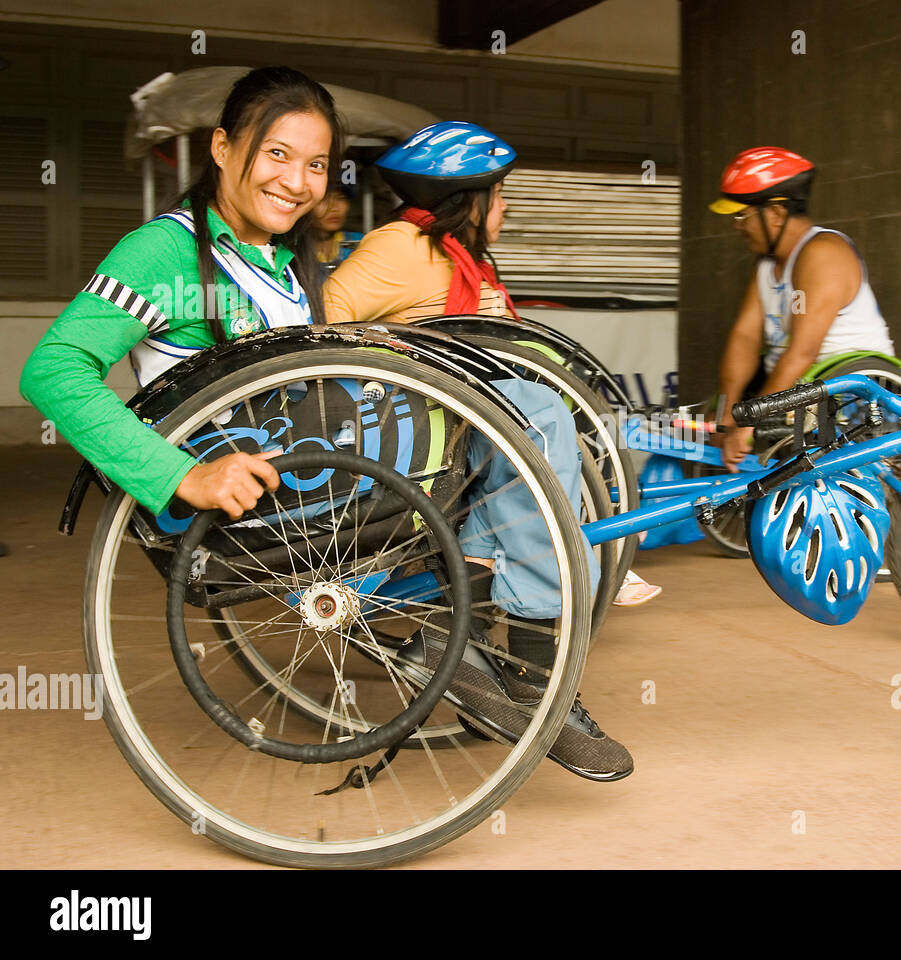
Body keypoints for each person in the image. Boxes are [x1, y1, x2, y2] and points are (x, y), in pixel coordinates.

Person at [324, 121, 634, 781]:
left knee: (553, 413)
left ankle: (460, 643)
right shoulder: (402, 246)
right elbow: (327, 319)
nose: (506, 207)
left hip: (481, 426)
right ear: (468, 201)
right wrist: (401, 359)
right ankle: (535, 676)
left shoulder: (462, 260)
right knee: (542, 416)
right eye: (498, 195)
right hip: (431, 422)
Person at [21, 65, 341, 520]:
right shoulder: (166, 250)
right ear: (222, 148)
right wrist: (183, 475)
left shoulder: (283, 260)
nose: (296, 182)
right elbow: (53, 371)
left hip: (306, 496)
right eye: (276, 153)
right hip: (239, 514)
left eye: (316, 165)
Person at [709, 147, 895, 472]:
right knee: (700, 421)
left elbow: (803, 351)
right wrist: (727, 411)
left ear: (776, 214)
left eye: (742, 215)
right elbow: (745, 338)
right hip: (797, 392)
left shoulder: (823, 253)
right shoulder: (766, 267)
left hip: (848, 395)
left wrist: (751, 420)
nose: (737, 226)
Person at [312, 177, 363, 274]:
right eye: (323, 199)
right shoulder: (290, 255)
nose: (333, 208)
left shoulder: (363, 245)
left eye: (341, 198)